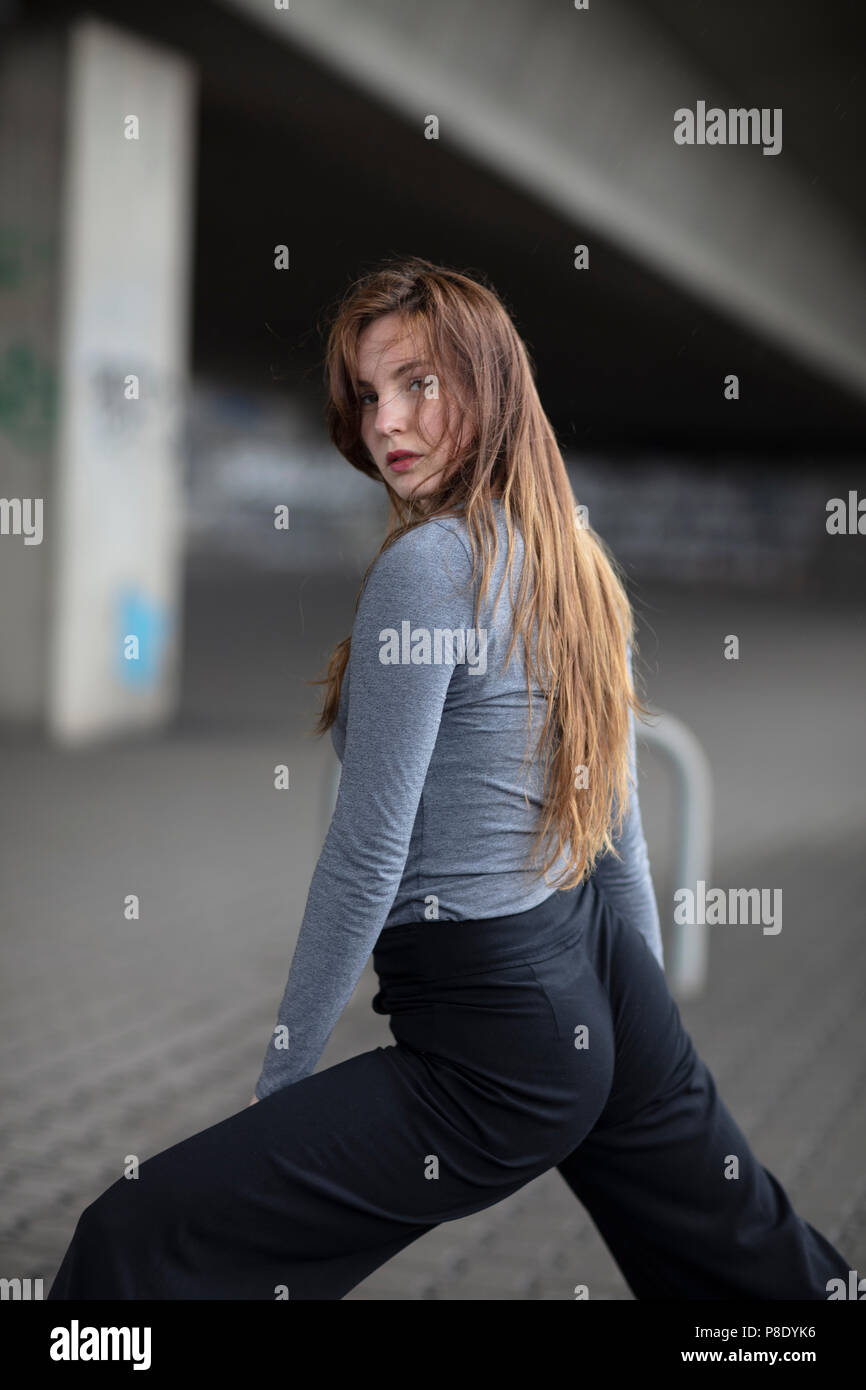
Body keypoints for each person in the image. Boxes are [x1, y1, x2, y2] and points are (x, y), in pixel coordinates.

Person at [47, 257, 850, 1300]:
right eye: (370, 394)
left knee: (137, 1241)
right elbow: (612, 815)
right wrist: (638, 1040)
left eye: (418, 383)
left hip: (491, 1039)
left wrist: (281, 1086)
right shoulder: (569, 550)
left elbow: (366, 851)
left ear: (488, 382)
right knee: (753, 1264)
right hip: (591, 974)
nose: (388, 421)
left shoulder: (427, 568)